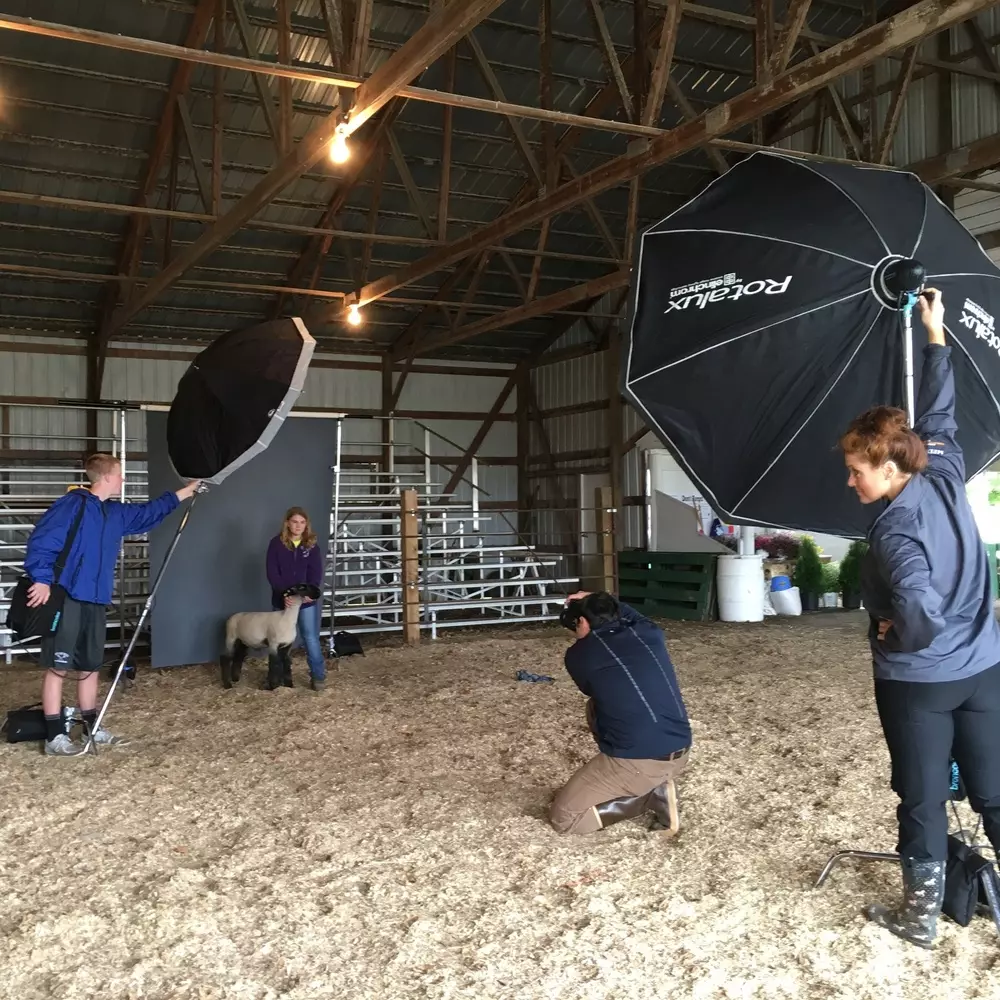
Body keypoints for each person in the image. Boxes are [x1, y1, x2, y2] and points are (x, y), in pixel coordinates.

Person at [839, 288, 1000, 949]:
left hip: (922, 680)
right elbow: (941, 413)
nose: (851, 483)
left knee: (923, 800)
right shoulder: (943, 468)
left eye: (856, 472)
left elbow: (916, 605)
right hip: (986, 666)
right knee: (994, 794)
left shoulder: (894, 532)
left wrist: (897, 630)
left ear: (887, 464)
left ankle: (920, 918)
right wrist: (934, 335)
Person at [24, 453, 200, 757]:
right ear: (105, 477)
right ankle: (55, 736)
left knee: (90, 665)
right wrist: (40, 578)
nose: (124, 480)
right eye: (120, 474)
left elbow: (149, 512)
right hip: (66, 595)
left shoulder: (114, 513)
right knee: (58, 666)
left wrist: (187, 491)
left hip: (96, 598)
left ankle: (91, 727)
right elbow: (43, 540)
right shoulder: (73, 505)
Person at [549, 591, 692, 835]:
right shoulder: (649, 632)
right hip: (680, 748)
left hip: (639, 760)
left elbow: (588, 688)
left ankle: (649, 796)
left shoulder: (578, 655)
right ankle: (638, 781)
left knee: (565, 819)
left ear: (582, 622)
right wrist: (597, 599)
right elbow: (628, 614)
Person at [265, 507, 327, 692]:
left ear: (306, 524)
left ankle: (318, 677)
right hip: (283, 600)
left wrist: (310, 592)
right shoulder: (276, 544)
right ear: (287, 523)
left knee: (310, 637)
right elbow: (272, 573)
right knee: (279, 640)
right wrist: (285, 594)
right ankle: (279, 678)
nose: (298, 525)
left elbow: (315, 573)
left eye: (302, 522)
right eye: (294, 521)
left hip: (306, 601)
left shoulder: (311, 545)